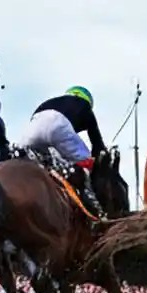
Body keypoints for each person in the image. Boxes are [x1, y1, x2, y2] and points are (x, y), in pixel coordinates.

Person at [16, 86, 108, 219]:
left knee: (40, 163)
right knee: (86, 162)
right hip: (58, 126)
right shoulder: (85, 106)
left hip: (34, 128)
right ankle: (93, 209)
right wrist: (98, 158)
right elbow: (96, 143)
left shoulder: (51, 102)